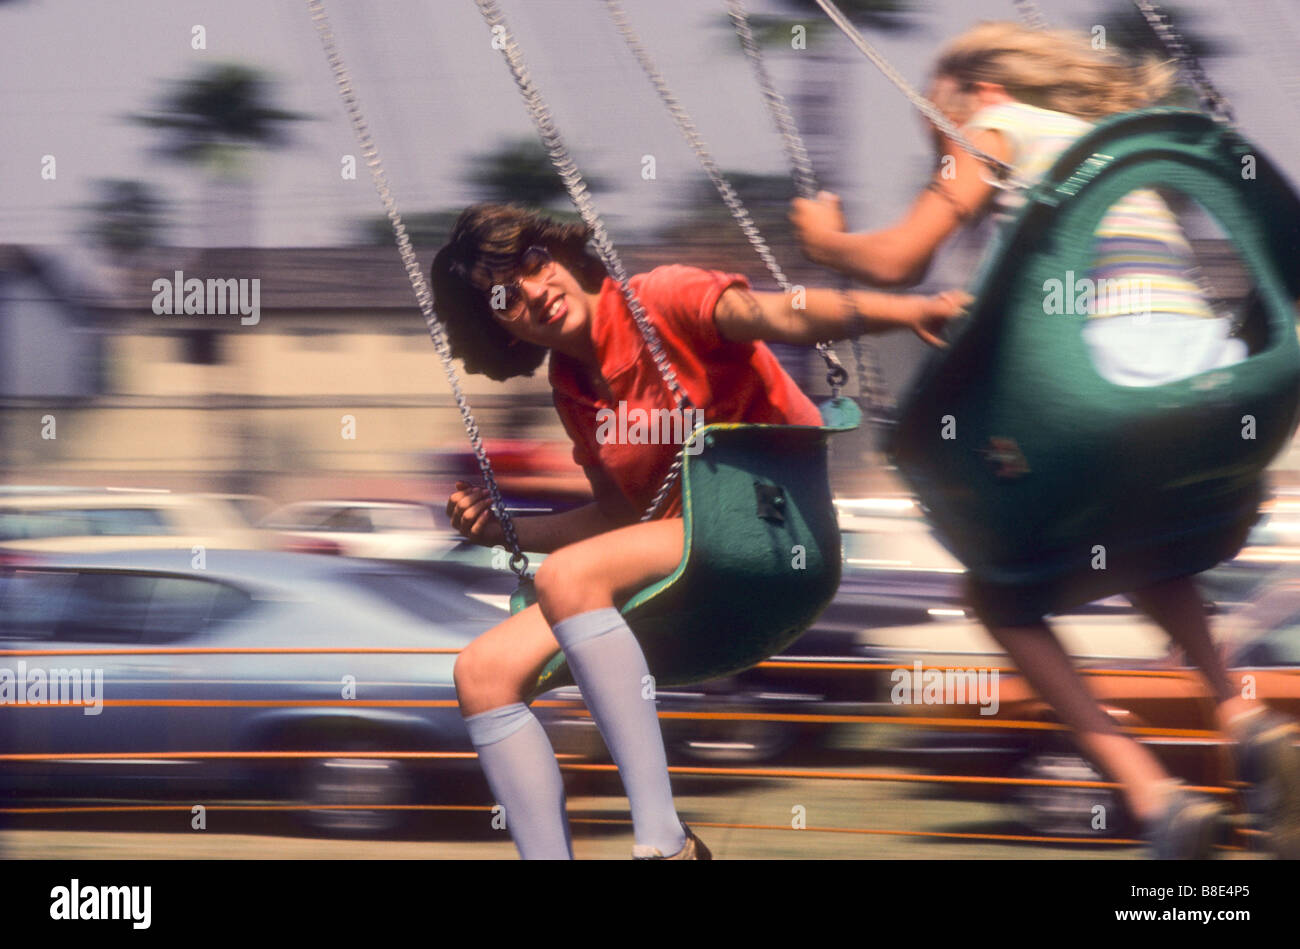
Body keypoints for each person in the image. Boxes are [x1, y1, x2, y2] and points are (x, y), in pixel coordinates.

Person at [790, 20, 1300, 858]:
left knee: (998, 593)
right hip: (1227, 381)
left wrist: (826, 241)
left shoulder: (991, 127)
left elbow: (897, 262)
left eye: (935, 129)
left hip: (1108, 386)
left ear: (981, 93)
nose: (940, 149)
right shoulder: (1115, 143)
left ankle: (1153, 792)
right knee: (1148, 553)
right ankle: (1241, 715)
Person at [432, 202, 965, 859]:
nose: (535, 293)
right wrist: (506, 529)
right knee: (481, 670)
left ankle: (665, 842)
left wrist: (907, 313)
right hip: (686, 563)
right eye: (506, 296)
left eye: (534, 263)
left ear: (562, 252)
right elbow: (618, 518)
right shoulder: (572, 387)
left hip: (770, 529)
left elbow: (783, 314)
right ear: (497, 326)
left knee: (568, 577)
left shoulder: (661, 299)